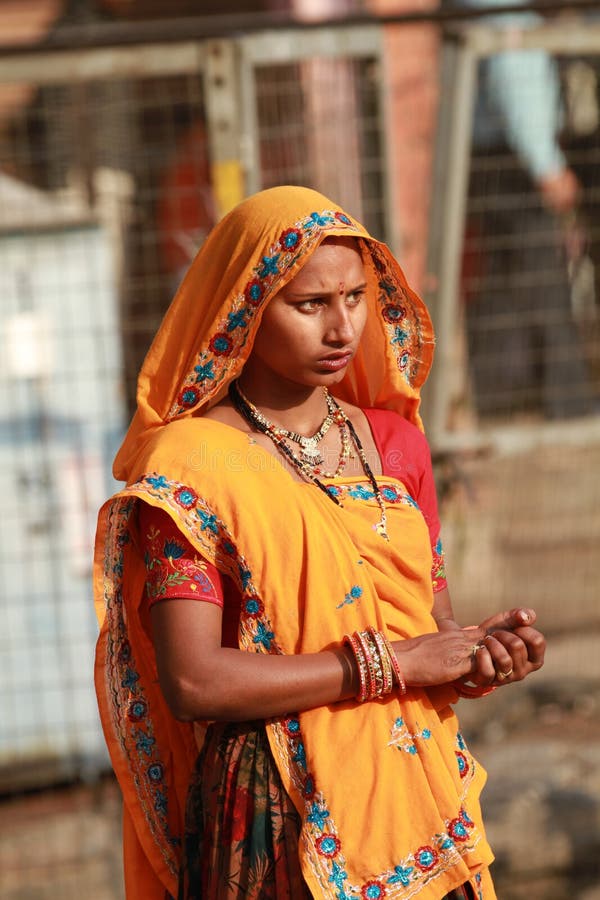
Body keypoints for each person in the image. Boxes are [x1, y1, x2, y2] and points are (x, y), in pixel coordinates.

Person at [93, 185, 546, 900]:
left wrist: (474, 656)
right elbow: (193, 681)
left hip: (419, 811)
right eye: (311, 305)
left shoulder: (394, 446)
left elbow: (428, 629)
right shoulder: (193, 465)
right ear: (244, 307)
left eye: (357, 298)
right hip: (279, 818)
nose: (342, 328)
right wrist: (388, 665)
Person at [460, 0, 597, 418]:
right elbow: (514, 84)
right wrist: (548, 167)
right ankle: (567, 402)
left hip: (498, 160)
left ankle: (502, 395)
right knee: (544, 281)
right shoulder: (507, 11)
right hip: (516, 164)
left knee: (505, 285)